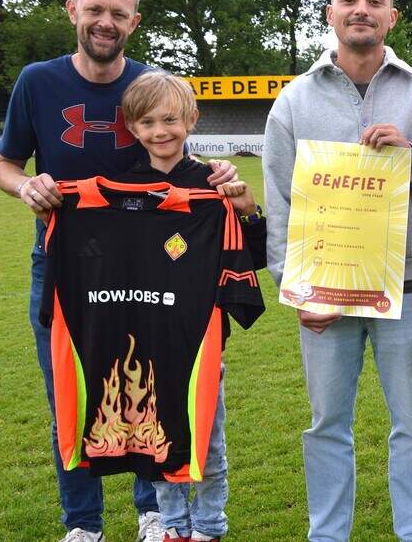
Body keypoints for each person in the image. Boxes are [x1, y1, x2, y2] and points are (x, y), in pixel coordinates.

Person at [0, 0, 234, 542]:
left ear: (134, 22)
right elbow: (5, 162)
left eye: (118, 13)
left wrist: (219, 178)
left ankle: (154, 512)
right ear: (73, 11)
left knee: (151, 382)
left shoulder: (151, 83)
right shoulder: (37, 82)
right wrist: (25, 186)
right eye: (95, 9)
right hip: (64, 263)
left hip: (149, 266)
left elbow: (176, 164)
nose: (105, 22)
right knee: (71, 392)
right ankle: (83, 523)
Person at [262, 0, 412, 542]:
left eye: (374, 0)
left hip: (407, 286)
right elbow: (279, 201)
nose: (361, 8)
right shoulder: (294, 100)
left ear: (391, 17)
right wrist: (294, 286)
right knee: (327, 424)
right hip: (322, 291)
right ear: (330, 13)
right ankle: (327, 535)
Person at [113, 70, 265, 542]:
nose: (161, 131)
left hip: (201, 338)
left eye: (171, 120)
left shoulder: (212, 182)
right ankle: (173, 526)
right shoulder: (118, 187)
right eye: (148, 123)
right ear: (133, 128)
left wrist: (243, 207)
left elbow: (254, 250)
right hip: (144, 334)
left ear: (191, 120)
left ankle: (210, 526)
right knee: (157, 436)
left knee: (208, 440)